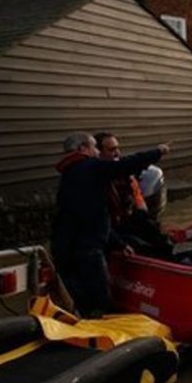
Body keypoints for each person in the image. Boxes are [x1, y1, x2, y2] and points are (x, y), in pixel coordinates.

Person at [51, 132, 169, 318]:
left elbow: (93, 218)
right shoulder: (89, 168)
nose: (97, 152)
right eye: (94, 147)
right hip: (86, 250)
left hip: (68, 247)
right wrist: (158, 152)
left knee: (80, 300)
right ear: (83, 149)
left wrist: (119, 244)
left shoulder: (71, 174)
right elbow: (125, 165)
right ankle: (100, 328)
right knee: (100, 302)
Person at [94, 132, 172, 258]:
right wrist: (120, 244)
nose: (117, 153)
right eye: (111, 150)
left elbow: (139, 202)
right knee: (142, 247)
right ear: (99, 153)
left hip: (125, 223)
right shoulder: (96, 176)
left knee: (154, 232)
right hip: (108, 232)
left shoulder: (125, 175)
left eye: (117, 148)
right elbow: (98, 223)